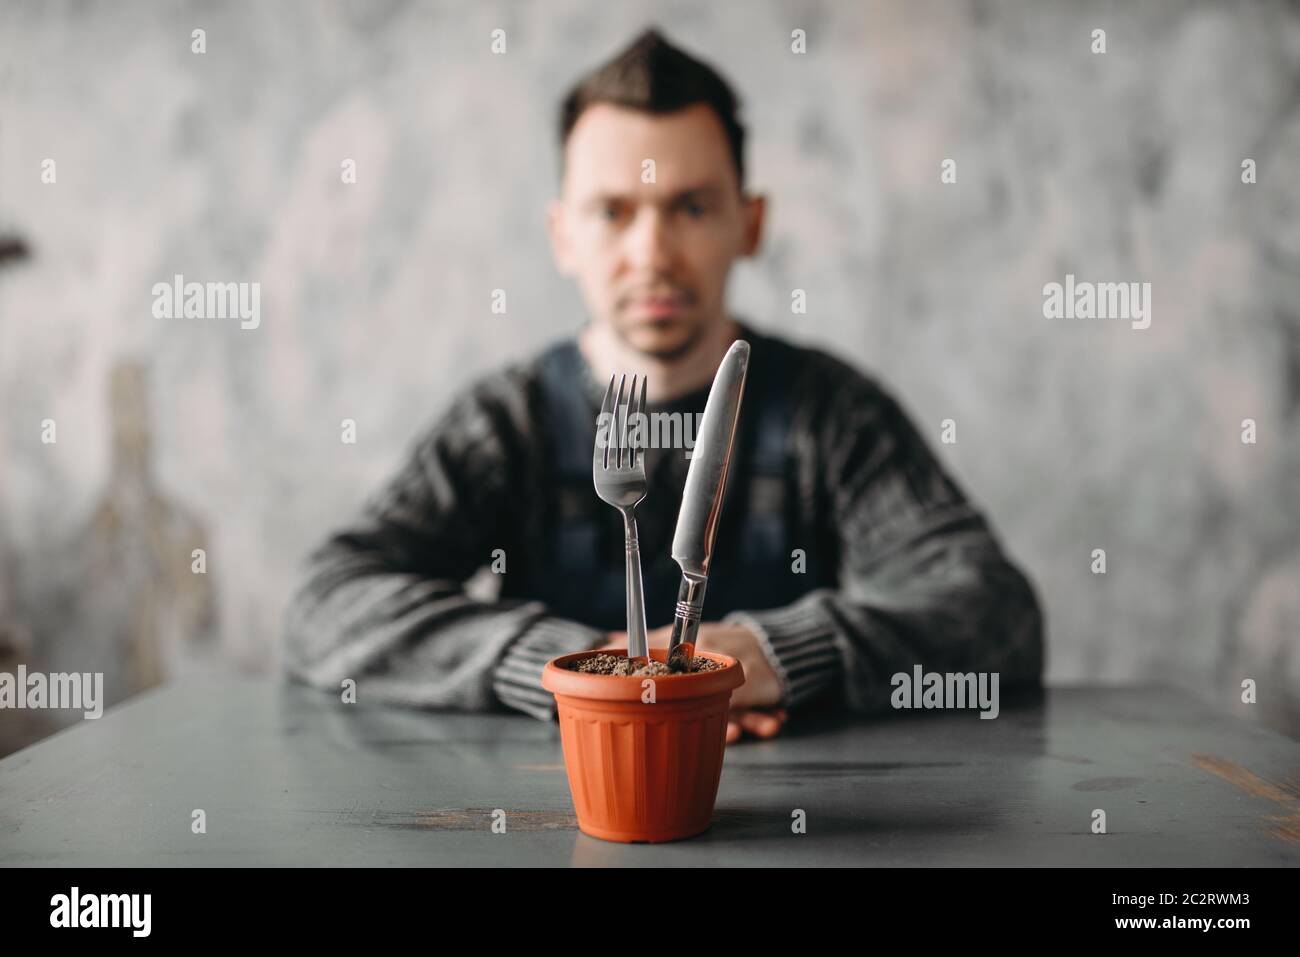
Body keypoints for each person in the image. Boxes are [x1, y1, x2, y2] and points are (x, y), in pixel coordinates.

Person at [281, 27, 1044, 743]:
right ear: (563, 235)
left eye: (691, 206)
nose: (653, 253)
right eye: (613, 211)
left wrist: (766, 655)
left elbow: (996, 615)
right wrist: (585, 671)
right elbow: (326, 605)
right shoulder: (504, 422)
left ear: (749, 224)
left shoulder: (831, 414)